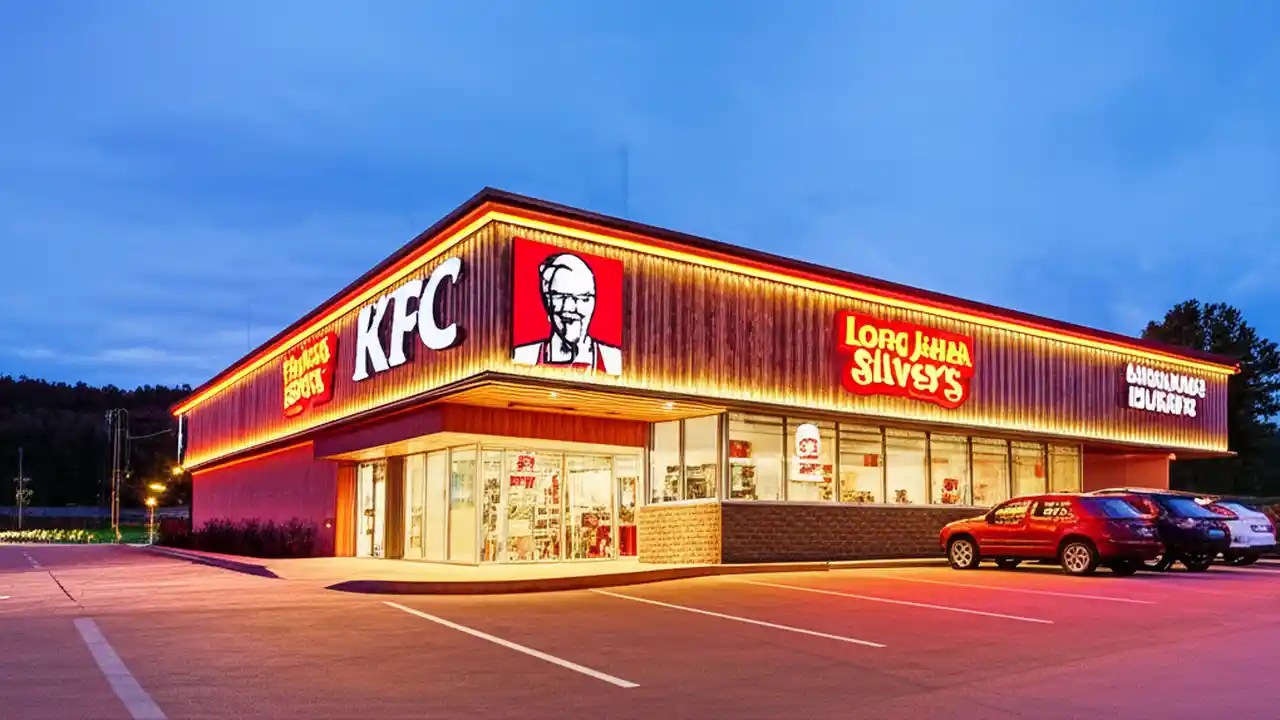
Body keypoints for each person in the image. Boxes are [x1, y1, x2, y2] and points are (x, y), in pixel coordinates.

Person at [513, 252, 621, 375]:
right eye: (560, 296)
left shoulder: (614, 361)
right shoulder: (523, 358)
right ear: (548, 300)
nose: (570, 307)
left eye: (583, 297)